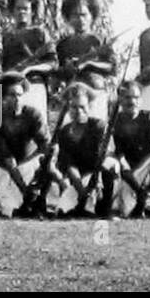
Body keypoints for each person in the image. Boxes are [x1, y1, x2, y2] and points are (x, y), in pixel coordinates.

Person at [44, 82, 115, 218]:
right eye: (74, 107)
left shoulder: (99, 127)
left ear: (89, 106)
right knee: (64, 211)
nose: (79, 112)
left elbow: (104, 156)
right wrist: (82, 191)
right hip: (79, 181)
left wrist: (97, 182)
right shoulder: (64, 132)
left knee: (111, 165)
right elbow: (69, 165)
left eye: (82, 107)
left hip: (99, 178)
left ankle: (106, 209)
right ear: (68, 108)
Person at [0, 72, 51, 217]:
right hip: (8, 171)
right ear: (2, 97)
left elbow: (45, 145)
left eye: (20, 95)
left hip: (31, 164)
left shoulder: (33, 114)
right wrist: (24, 190)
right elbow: (6, 159)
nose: (17, 99)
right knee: (9, 209)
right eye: (12, 95)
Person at [110, 80, 150, 218]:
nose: (132, 102)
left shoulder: (149, 117)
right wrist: (133, 180)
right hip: (127, 171)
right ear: (120, 99)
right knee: (127, 209)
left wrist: (138, 173)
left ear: (141, 100)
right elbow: (118, 153)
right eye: (127, 97)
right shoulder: (115, 121)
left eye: (136, 97)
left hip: (146, 167)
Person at [55, 0, 118, 122]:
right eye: (75, 15)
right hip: (73, 96)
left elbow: (112, 67)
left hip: (96, 93)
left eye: (84, 15)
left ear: (91, 16)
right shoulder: (63, 44)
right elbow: (57, 72)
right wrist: (67, 69)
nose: (80, 19)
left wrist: (89, 64)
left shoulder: (100, 41)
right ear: (68, 18)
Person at [0, 0, 55, 120]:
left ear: (32, 11)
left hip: (33, 86)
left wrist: (29, 69)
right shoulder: (6, 36)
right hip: (11, 89)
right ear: (12, 11)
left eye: (26, 8)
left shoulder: (40, 33)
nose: (22, 12)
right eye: (18, 8)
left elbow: (51, 63)